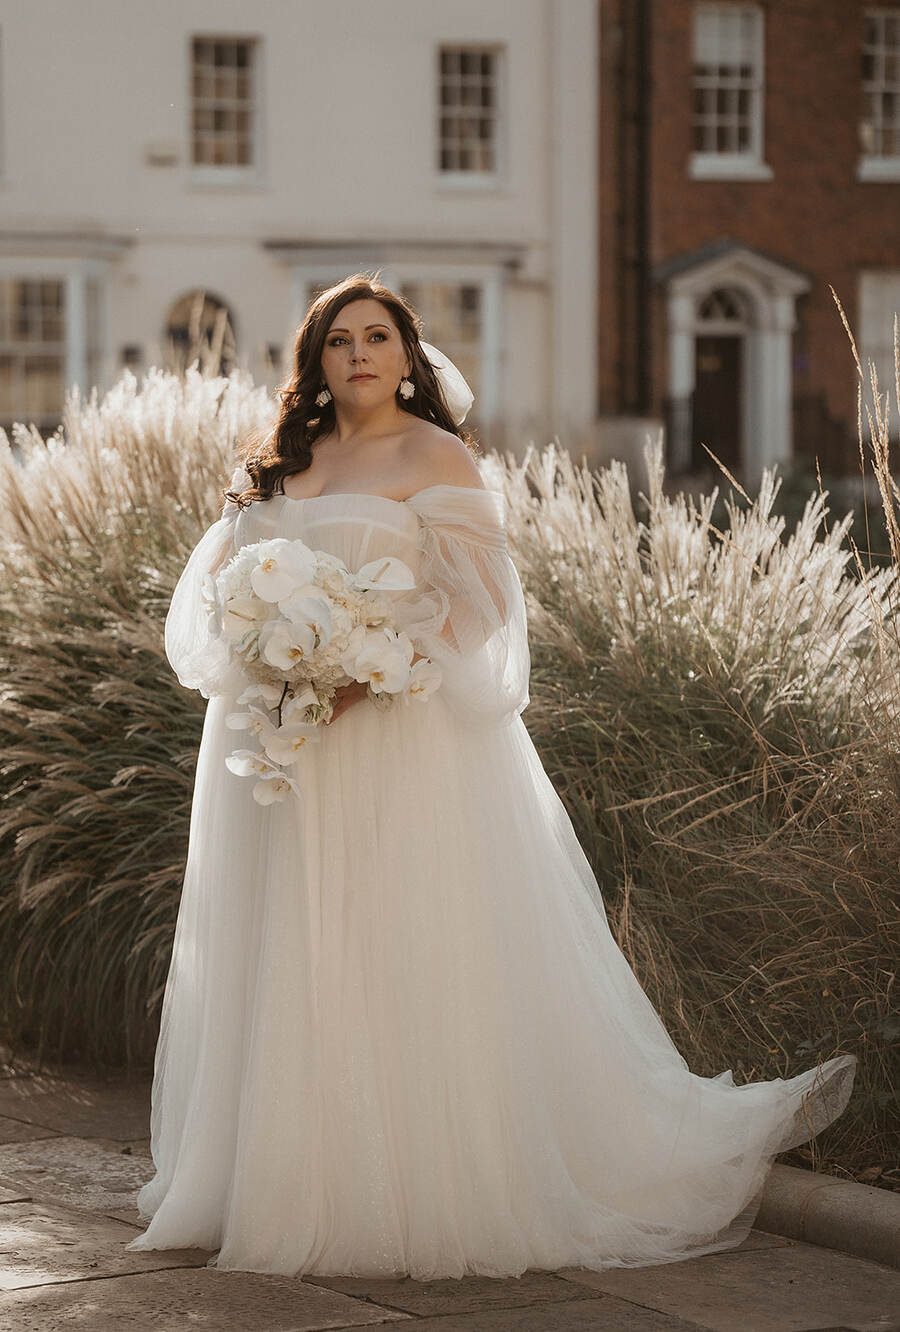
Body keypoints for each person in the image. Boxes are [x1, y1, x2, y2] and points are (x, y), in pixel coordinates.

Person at [126, 272, 855, 1281]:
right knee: (282, 939)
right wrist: (278, 661)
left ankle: (390, 1189)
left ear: (408, 355)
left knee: (390, 940)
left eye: (378, 337)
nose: (359, 356)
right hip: (270, 743)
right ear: (315, 360)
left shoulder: (439, 455)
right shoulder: (280, 459)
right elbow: (220, 593)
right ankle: (273, 1177)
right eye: (339, 341)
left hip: (393, 736)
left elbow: (477, 608)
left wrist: (360, 669)